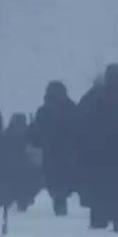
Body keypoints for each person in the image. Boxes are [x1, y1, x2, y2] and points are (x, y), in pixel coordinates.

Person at [79, 68, 118, 232]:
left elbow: (82, 120)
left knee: (99, 186)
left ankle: (99, 219)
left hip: (98, 150)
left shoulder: (94, 96)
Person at [29, 81, 79, 216]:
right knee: (63, 179)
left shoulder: (44, 110)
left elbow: (36, 131)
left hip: (50, 151)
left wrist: (35, 140)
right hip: (67, 151)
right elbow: (79, 128)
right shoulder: (71, 107)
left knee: (54, 180)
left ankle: (59, 200)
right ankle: (61, 200)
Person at [0, 113, 41, 215]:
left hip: (10, 170)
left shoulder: (6, 134)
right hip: (23, 170)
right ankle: (20, 206)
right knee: (23, 191)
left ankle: (7, 208)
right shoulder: (28, 135)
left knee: (9, 192)